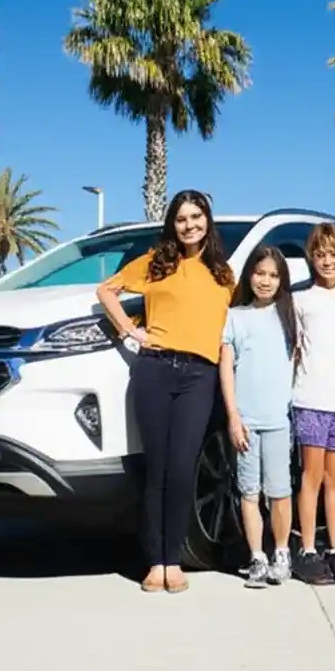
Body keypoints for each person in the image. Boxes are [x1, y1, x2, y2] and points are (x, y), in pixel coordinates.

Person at [96, 189, 234, 594]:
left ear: (208, 219)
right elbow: (106, 291)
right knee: (155, 469)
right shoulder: (157, 263)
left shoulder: (224, 275)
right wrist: (131, 330)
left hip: (200, 376)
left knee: (181, 468)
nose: (190, 225)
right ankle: (155, 562)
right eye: (181, 218)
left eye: (196, 216)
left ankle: (174, 560)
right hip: (155, 370)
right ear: (172, 225)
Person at [220, 244, 299, 589]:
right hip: (247, 423)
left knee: (279, 492)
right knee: (249, 493)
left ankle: (282, 553)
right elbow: (226, 368)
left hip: (280, 421)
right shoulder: (235, 316)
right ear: (249, 274)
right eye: (259, 273)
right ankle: (257, 556)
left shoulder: (290, 315)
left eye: (273, 275)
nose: (265, 281)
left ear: (281, 279)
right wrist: (233, 416)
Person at [290, 222, 335, 585]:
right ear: (311, 258)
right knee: (311, 477)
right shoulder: (301, 300)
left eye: (334, 255)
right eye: (320, 255)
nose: (327, 261)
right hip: (311, 400)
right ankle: (308, 549)